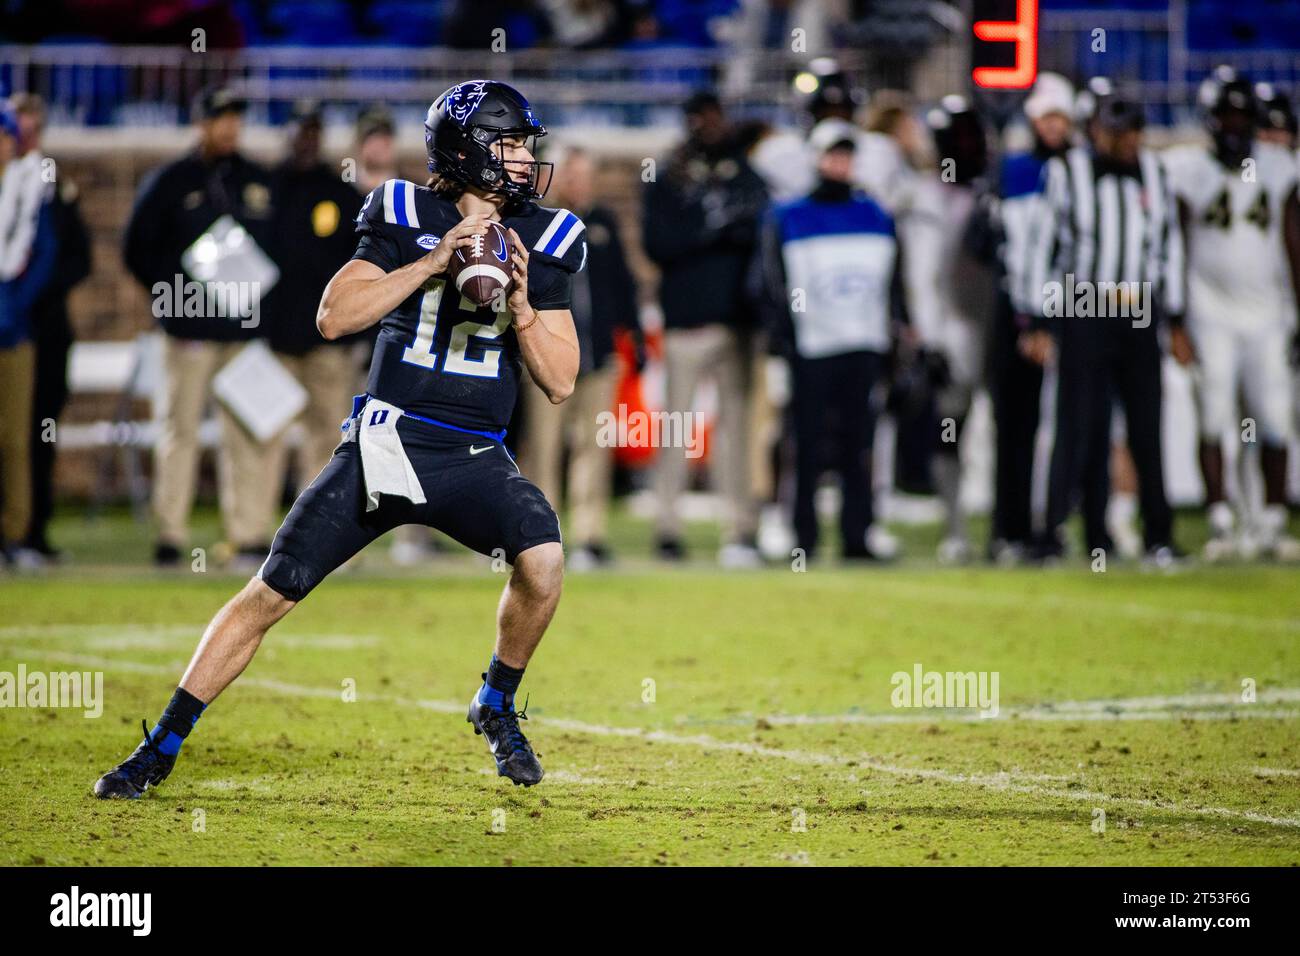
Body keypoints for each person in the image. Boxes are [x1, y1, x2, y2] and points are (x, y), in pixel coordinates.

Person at [93, 79, 583, 797]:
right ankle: (159, 747)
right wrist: (432, 262)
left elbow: (563, 380)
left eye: (523, 147)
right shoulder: (402, 209)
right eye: (508, 145)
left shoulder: (547, 239)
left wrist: (522, 303)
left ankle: (497, 703)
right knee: (272, 591)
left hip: (473, 454)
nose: (522, 161)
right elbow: (333, 316)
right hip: (386, 445)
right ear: (467, 150)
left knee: (543, 562)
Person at [1027, 86, 1184, 566]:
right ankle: (1054, 534)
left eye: (1133, 131)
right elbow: (1043, 246)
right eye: (1118, 132)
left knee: (1146, 426)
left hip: (1137, 305)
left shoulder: (1156, 173)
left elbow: (1167, 245)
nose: (1126, 141)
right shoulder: (1065, 171)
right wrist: (1039, 316)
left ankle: (1158, 534)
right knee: (1077, 424)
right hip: (1084, 304)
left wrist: (1174, 315)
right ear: (1096, 131)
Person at [122, 86, 278, 567]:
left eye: (235, 118)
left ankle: (249, 534)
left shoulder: (256, 179)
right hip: (188, 331)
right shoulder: (171, 180)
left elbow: (279, 251)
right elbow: (136, 248)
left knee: (249, 430)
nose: (229, 127)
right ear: (200, 123)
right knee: (179, 429)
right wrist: (174, 298)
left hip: (241, 331)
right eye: (220, 117)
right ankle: (171, 535)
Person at [1164, 67, 1300, 560]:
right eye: (1227, 115)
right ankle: (1222, 520)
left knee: (1274, 417)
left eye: (1244, 116)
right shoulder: (1187, 169)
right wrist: (1174, 319)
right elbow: (1173, 246)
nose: (1236, 125)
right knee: (1215, 413)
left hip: (1267, 311)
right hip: (1210, 308)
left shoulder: (1279, 165)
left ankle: (1270, 521)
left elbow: (1292, 243)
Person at [756, 118, 907, 562]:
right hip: (811, 347)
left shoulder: (877, 214)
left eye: (846, 155)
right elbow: (770, 284)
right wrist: (781, 338)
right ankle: (804, 536)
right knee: (804, 446)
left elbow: (894, 285)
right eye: (832, 154)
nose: (839, 163)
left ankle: (857, 535)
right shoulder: (788, 216)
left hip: (864, 343)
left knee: (859, 447)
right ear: (816, 159)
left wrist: (898, 335)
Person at [642, 89, 769, 566]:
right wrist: (713, 226)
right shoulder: (669, 175)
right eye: (702, 118)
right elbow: (659, 244)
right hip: (686, 320)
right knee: (676, 426)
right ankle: (667, 526)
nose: (710, 126)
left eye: (716, 117)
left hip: (737, 321)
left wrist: (714, 225)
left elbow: (759, 219)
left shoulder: (742, 171)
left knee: (737, 430)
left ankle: (739, 528)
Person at [519, 144, 643, 569]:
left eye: (585, 175)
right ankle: (541, 535)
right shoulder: (539, 224)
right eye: (572, 174)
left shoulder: (603, 223)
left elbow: (624, 286)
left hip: (598, 355)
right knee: (544, 448)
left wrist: (635, 337)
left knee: (594, 447)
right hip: (546, 358)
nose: (579, 183)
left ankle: (590, 535)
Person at [909, 96, 998, 564]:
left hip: (999, 325)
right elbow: (923, 275)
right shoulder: (930, 195)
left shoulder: (991, 191)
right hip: (956, 327)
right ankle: (955, 526)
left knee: (1012, 427)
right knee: (951, 427)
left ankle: (1010, 528)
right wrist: (930, 337)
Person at [264, 101, 366, 504]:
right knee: (264, 430)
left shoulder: (342, 195)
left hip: (330, 341)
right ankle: (252, 534)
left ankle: (317, 529)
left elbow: (364, 266)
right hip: (273, 339)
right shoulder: (264, 188)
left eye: (312, 132)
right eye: (298, 130)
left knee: (327, 437)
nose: (305, 140)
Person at [990, 72, 1074, 564]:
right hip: (1017, 312)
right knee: (1015, 423)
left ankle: (1059, 527)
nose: (1052, 127)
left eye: (1059, 117)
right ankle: (1011, 529)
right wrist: (1029, 319)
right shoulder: (1012, 172)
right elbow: (995, 249)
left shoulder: (1086, 169)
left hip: (1075, 308)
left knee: (1070, 423)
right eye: (1045, 117)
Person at [11, 94, 92, 562]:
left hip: (45, 326)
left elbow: (78, 257)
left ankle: (33, 529)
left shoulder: (53, 186)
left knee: (40, 428)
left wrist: (34, 293)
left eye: (32, 132)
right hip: (14, 322)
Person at [0, 100, 57, 570]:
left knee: (15, 438)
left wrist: (13, 309)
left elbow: (44, 255)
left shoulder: (32, 185)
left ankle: (14, 534)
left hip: (12, 325)